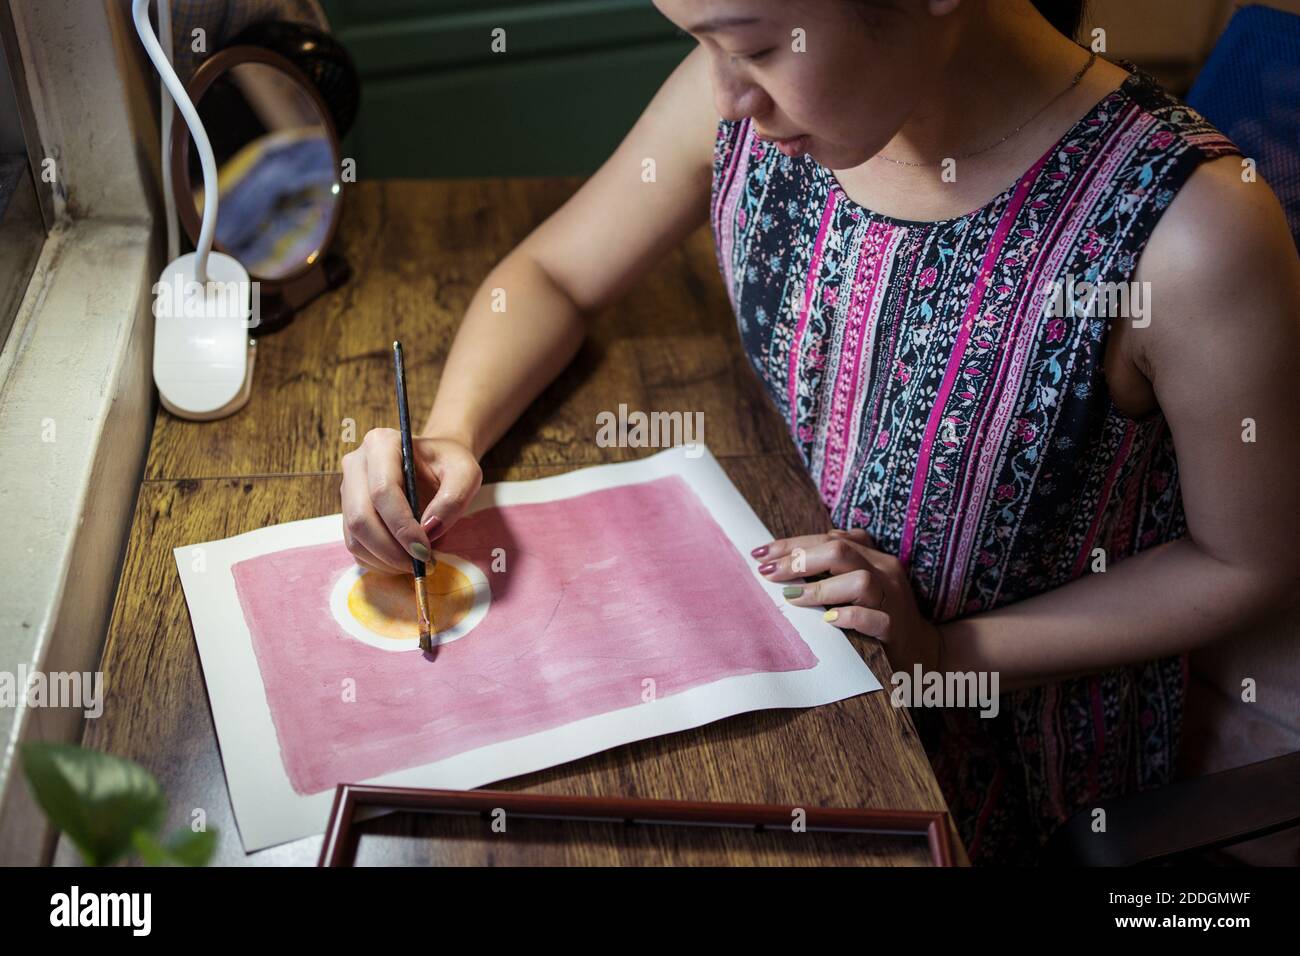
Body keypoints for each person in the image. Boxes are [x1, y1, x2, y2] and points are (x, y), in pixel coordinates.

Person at [339, 0, 1300, 863]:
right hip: (796, 672)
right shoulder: (750, 102)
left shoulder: (1189, 233)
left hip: (1005, 774)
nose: (723, 91)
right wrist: (453, 435)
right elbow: (553, 275)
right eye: (699, 42)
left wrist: (948, 657)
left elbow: (1245, 562)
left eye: (754, 44)